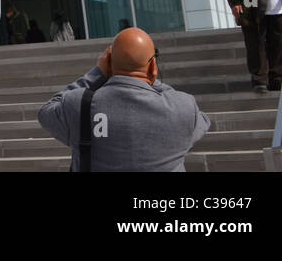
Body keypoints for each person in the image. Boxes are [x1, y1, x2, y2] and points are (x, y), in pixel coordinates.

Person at [38, 27, 210, 171]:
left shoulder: (80, 104)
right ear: (152, 66)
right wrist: (149, 77)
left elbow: (47, 112)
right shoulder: (184, 107)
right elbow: (203, 122)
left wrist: (97, 73)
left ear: (109, 63)